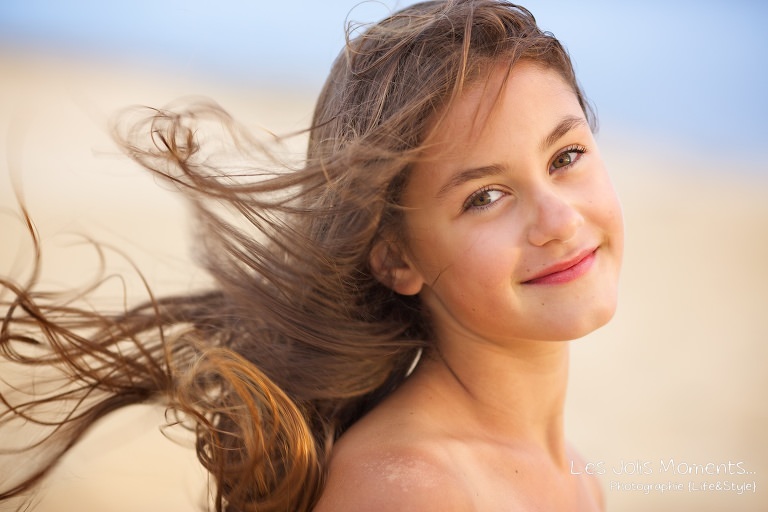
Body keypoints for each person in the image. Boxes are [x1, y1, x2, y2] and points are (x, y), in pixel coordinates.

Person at [0, 0, 623, 510]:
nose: (559, 220)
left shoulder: (578, 475)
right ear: (395, 259)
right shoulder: (408, 491)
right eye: (485, 196)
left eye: (566, 157)